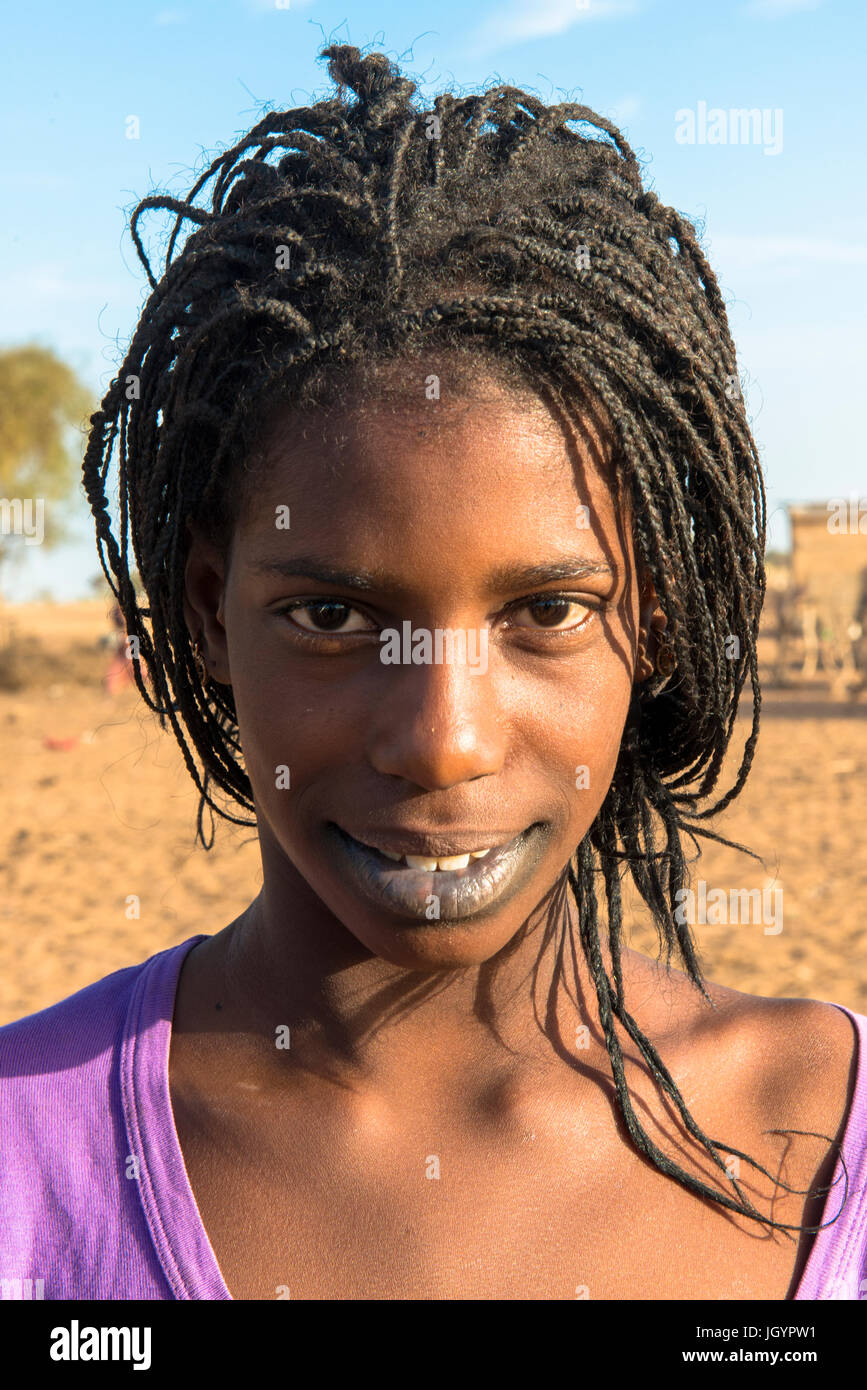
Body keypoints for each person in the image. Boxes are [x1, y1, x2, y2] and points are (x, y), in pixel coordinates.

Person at [1, 44, 864, 1302]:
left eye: (551, 609)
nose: (443, 738)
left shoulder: (829, 1142)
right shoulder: (28, 1165)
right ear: (204, 614)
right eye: (335, 613)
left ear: (661, 621)